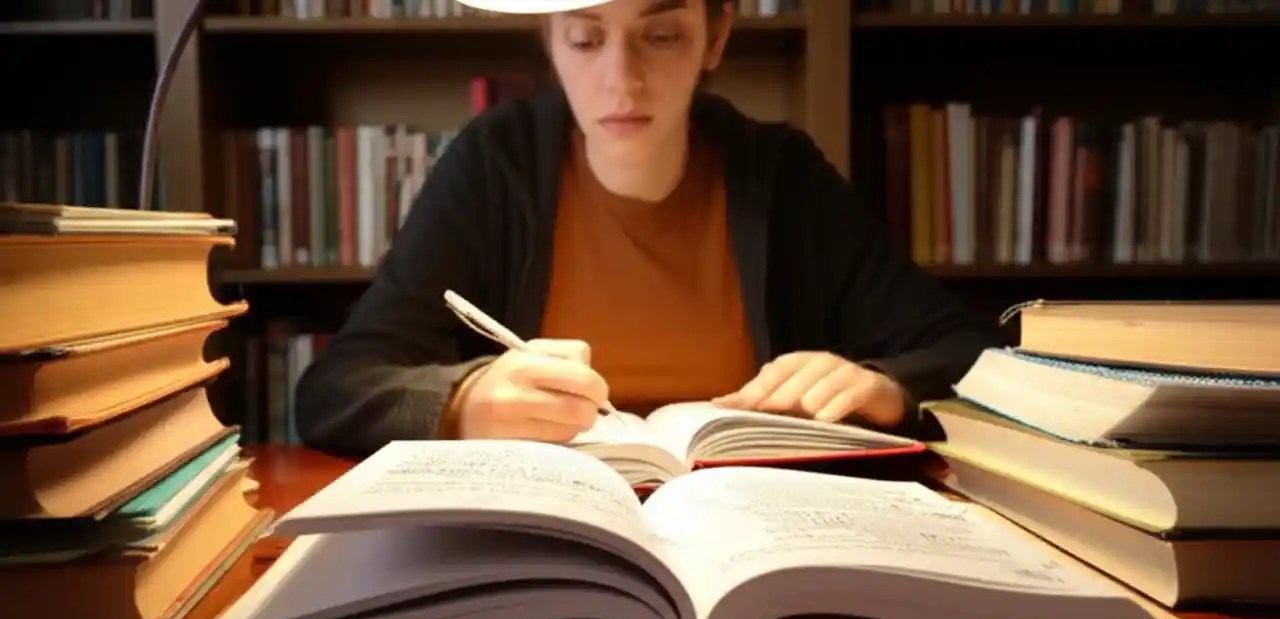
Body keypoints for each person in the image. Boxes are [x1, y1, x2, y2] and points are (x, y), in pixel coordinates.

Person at [293, 0, 1003, 459]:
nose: (621, 78)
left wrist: (889, 389)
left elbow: (972, 356)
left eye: (660, 35)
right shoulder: (495, 164)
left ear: (715, 35)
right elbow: (334, 389)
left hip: (745, 532)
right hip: (543, 537)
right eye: (585, 39)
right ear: (549, 40)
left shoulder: (781, 176)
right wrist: (460, 403)